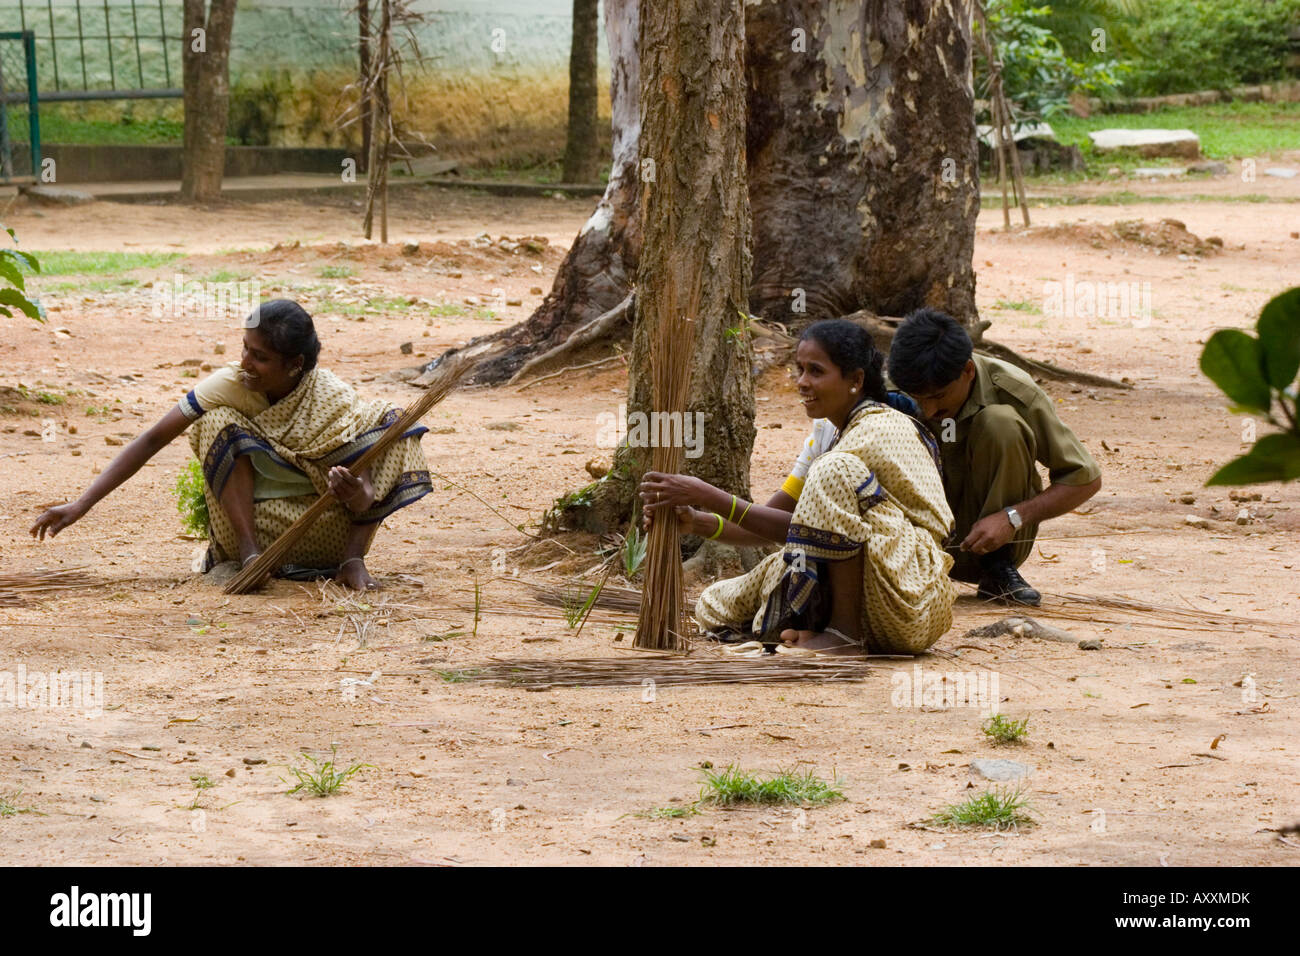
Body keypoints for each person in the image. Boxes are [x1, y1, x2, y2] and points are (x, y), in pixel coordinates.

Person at [29, 300, 432, 591]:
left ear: (295, 366)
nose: (244, 362)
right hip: (264, 531)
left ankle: (352, 562)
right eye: (244, 348)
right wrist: (82, 504)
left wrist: (353, 493)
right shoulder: (230, 385)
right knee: (215, 420)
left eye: (259, 357)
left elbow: (364, 499)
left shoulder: (332, 398)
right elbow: (152, 439)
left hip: (326, 531)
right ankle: (249, 555)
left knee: (393, 425)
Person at [640, 319, 955, 656]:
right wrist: (700, 521)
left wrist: (706, 494)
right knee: (713, 604)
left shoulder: (878, 429)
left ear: (856, 380)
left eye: (816, 372)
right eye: (800, 370)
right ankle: (814, 626)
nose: (802, 383)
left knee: (833, 470)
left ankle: (843, 635)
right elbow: (784, 522)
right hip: (872, 596)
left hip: (909, 594)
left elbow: (803, 528)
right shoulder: (828, 432)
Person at [887, 308, 1102, 607]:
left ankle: (997, 569)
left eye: (938, 396)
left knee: (1001, 423)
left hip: (988, 543)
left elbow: (1084, 479)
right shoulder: (890, 390)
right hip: (911, 549)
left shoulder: (1014, 391)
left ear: (968, 371)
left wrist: (1013, 518)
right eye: (917, 398)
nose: (929, 411)